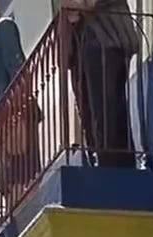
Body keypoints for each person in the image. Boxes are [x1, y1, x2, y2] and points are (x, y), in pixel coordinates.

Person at [57, 0, 141, 167]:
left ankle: (114, 164)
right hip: (82, 44)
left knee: (106, 110)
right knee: (92, 113)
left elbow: (89, 3)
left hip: (105, 39)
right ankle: (102, 160)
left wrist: (73, 5)